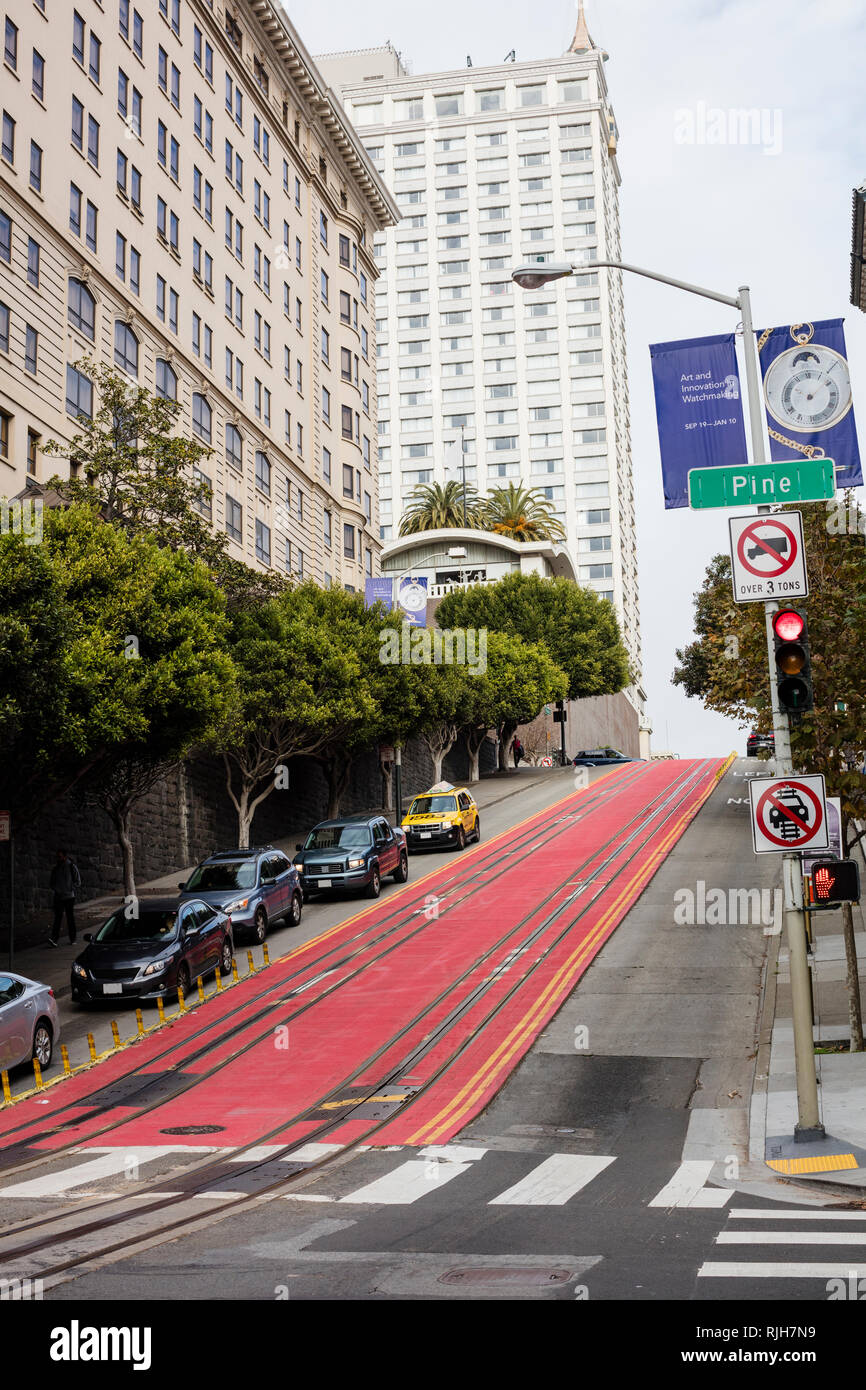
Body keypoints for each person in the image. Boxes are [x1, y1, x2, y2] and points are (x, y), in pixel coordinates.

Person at [46, 849, 81, 947]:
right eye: (57, 857)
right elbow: (52, 882)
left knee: (70, 918)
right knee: (58, 918)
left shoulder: (71, 866)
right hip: (59, 896)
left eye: (60, 856)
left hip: (69, 896)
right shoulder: (56, 868)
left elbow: (78, 881)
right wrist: (56, 889)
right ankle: (54, 939)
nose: (58, 858)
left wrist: (70, 889)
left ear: (65, 857)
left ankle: (73, 938)